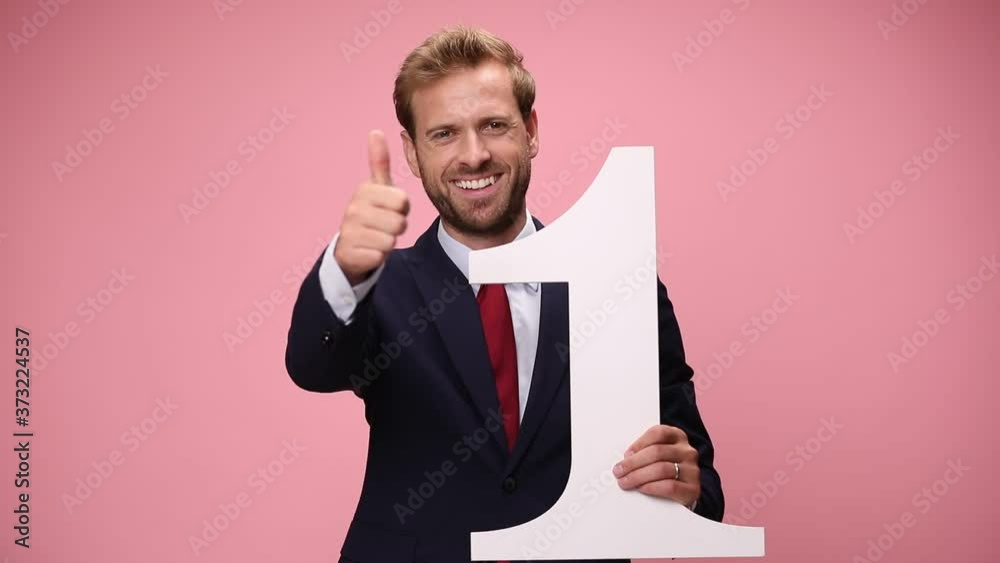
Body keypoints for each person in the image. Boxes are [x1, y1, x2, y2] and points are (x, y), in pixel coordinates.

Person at [285, 25, 723, 563]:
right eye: (444, 134)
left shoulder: (619, 284)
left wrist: (682, 483)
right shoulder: (376, 289)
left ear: (531, 131)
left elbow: (700, 484)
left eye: (494, 125)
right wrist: (345, 268)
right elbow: (312, 366)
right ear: (413, 153)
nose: (474, 156)